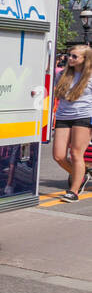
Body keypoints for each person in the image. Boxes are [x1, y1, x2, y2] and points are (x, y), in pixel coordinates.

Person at [52, 43, 92, 202]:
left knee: (76, 154)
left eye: (74, 56)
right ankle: (81, 176)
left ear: (85, 59)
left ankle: (74, 191)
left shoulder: (89, 77)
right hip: (63, 116)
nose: (70, 58)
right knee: (59, 156)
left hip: (83, 116)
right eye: (69, 55)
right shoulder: (62, 74)